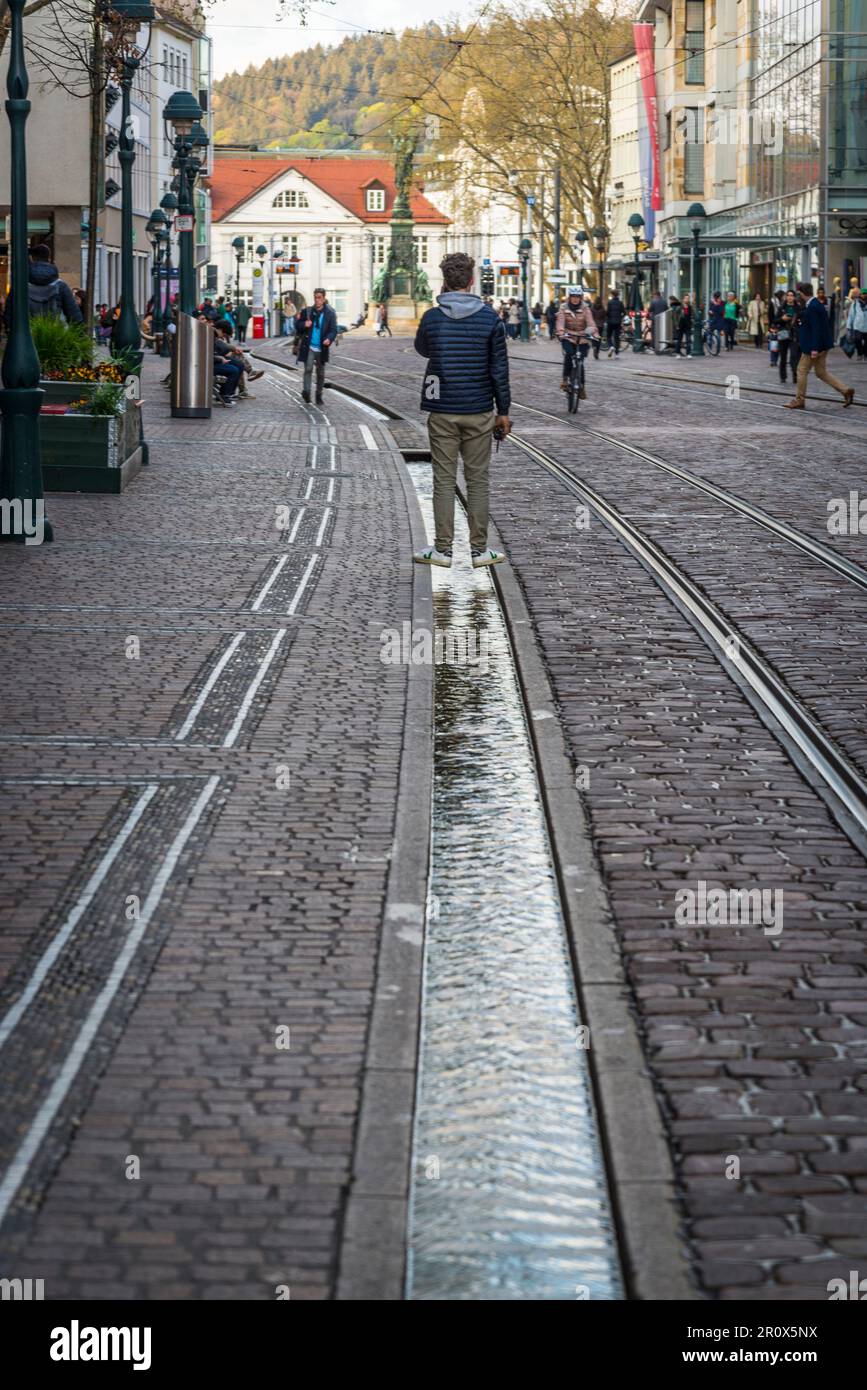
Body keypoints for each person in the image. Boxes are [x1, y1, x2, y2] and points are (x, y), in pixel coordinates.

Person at [412, 250, 511, 570]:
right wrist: (503, 410)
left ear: (445, 281)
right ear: (471, 280)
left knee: (443, 480)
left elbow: (423, 348)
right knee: (478, 480)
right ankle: (480, 551)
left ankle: (442, 550)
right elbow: (499, 367)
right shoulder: (489, 318)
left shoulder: (432, 317)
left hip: (442, 408)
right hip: (480, 408)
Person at [786, 281, 854, 410]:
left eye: (799, 293)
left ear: (803, 293)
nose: (798, 295)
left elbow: (817, 329)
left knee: (801, 370)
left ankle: (799, 400)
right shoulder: (814, 304)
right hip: (821, 345)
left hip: (814, 346)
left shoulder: (813, 307)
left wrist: (814, 349)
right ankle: (845, 390)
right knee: (821, 372)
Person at [8, 243, 84, 325]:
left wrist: (10, 331)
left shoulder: (20, 285)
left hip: (27, 334)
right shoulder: (61, 286)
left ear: (31, 258)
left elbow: (9, 313)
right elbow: (75, 317)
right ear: (49, 259)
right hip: (54, 334)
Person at [295, 288, 337, 405]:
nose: (317, 300)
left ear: (323, 299)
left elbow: (333, 330)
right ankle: (307, 392)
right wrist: (304, 324)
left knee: (320, 373)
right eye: (315, 297)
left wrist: (329, 338)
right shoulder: (307, 311)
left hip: (322, 347)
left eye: (319, 298)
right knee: (308, 369)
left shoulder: (330, 313)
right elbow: (297, 325)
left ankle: (319, 394)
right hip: (309, 346)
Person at [556, 287, 595, 393]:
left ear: (580, 298)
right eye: (573, 296)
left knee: (580, 361)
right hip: (568, 336)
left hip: (582, 337)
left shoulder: (586, 308)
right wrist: (561, 332)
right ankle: (565, 379)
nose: (575, 299)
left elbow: (591, 323)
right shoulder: (563, 307)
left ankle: (582, 386)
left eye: (577, 297)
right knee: (569, 355)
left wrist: (590, 332)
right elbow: (560, 321)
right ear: (570, 297)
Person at [776, 289, 800, 384]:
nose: (790, 297)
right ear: (786, 297)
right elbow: (775, 320)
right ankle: (783, 376)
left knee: (794, 355)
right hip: (783, 334)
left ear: (794, 297)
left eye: (791, 295)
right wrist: (782, 319)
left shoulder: (798, 308)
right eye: (788, 295)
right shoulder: (781, 308)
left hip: (794, 334)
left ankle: (795, 375)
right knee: (783, 356)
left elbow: (802, 319)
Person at [846, 291, 867, 359]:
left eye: (865, 294)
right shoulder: (855, 303)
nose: (864, 295)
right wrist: (848, 326)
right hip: (857, 325)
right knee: (857, 340)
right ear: (860, 295)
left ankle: (865, 354)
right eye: (863, 294)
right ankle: (860, 353)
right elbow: (851, 315)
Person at [605, 289, 624, 357]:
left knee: (608, 336)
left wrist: (607, 317)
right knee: (617, 338)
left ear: (612, 295)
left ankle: (611, 346)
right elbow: (623, 312)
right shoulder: (620, 302)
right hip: (618, 322)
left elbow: (607, 312)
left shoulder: (610, 302)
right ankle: (617, 354)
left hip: (610, 322)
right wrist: (620, 318)